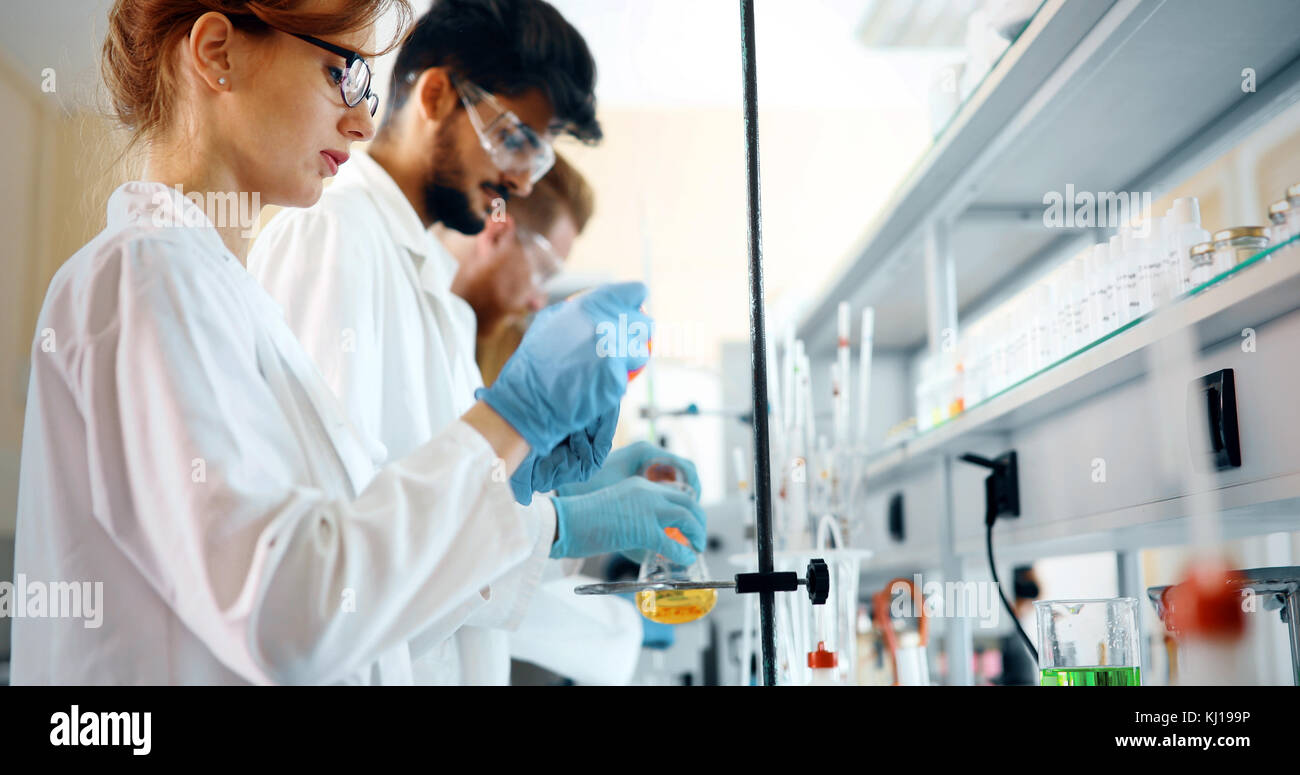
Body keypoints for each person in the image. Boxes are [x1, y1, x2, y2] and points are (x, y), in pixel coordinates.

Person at [11, 0, 694, 686]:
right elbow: (290, 614)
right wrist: (519, 427)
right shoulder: (149, 274)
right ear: (217, 52)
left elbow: (371, 602)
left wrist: (517, 482)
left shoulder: (226, 295)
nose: (363, 119)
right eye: (340, 71)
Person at [250, 0, 705, 684]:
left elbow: (439, 543)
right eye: (518, 138)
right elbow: (336, 572)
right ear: (435, 94)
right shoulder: (334, 234)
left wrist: (529, 488)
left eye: (541, 152)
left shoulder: (439, 302)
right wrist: (564, 524)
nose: (523, 179)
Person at [438, 153, 593, 386]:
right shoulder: (397, 309)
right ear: (497, 235)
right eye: (543, 272)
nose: (537, 303)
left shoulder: (461, 346)